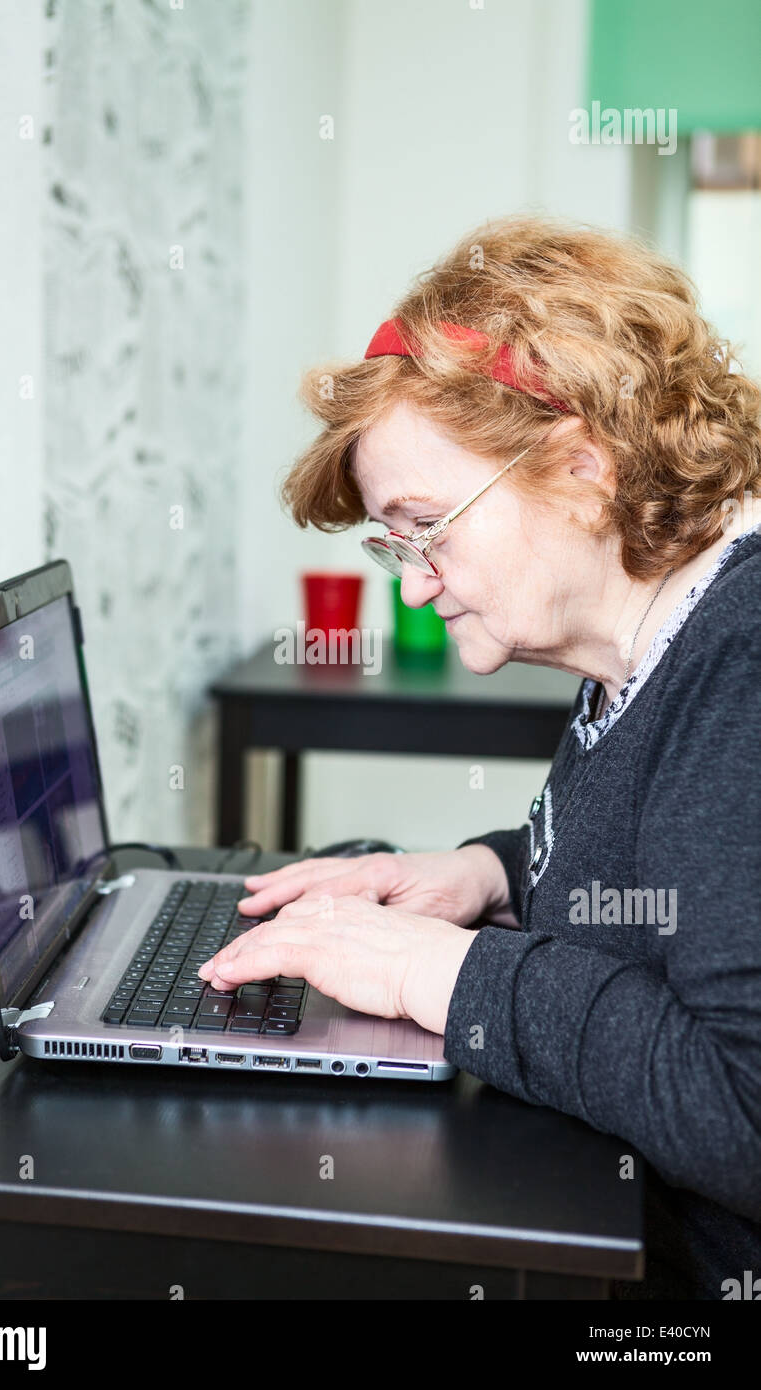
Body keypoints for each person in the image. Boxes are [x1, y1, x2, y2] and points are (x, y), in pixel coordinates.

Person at [198, 215, 761, 1300]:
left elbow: (741, 1113)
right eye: (391, 546)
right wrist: (488, 875)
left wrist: (432, 969)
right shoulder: (645, 647)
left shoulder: (738, 669)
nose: (412, 585)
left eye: (426, 529)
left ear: (581, 471)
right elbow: (677, 883)